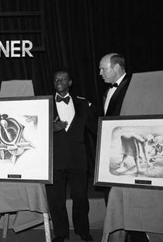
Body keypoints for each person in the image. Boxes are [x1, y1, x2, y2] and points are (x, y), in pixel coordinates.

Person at [99, 53, 148, 242]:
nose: (100, 73)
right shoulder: (107, 91)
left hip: (129, 153)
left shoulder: (135, 87)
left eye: (104, 68)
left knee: (132, 203)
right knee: (114, 201)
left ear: (117, 67)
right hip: (113, 154)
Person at [46, 69, 96, 242]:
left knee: (81, 198)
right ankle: (60, 233)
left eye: (63, 79)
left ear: (70, 83)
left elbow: (96, 128)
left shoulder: (83, 104)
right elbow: (33, 132)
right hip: (54, 161)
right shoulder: (44, 104)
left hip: (78, 160)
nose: (59, 81)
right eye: (56, 79)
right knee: (55, 200)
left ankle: (82, 230)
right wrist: (50, 129)